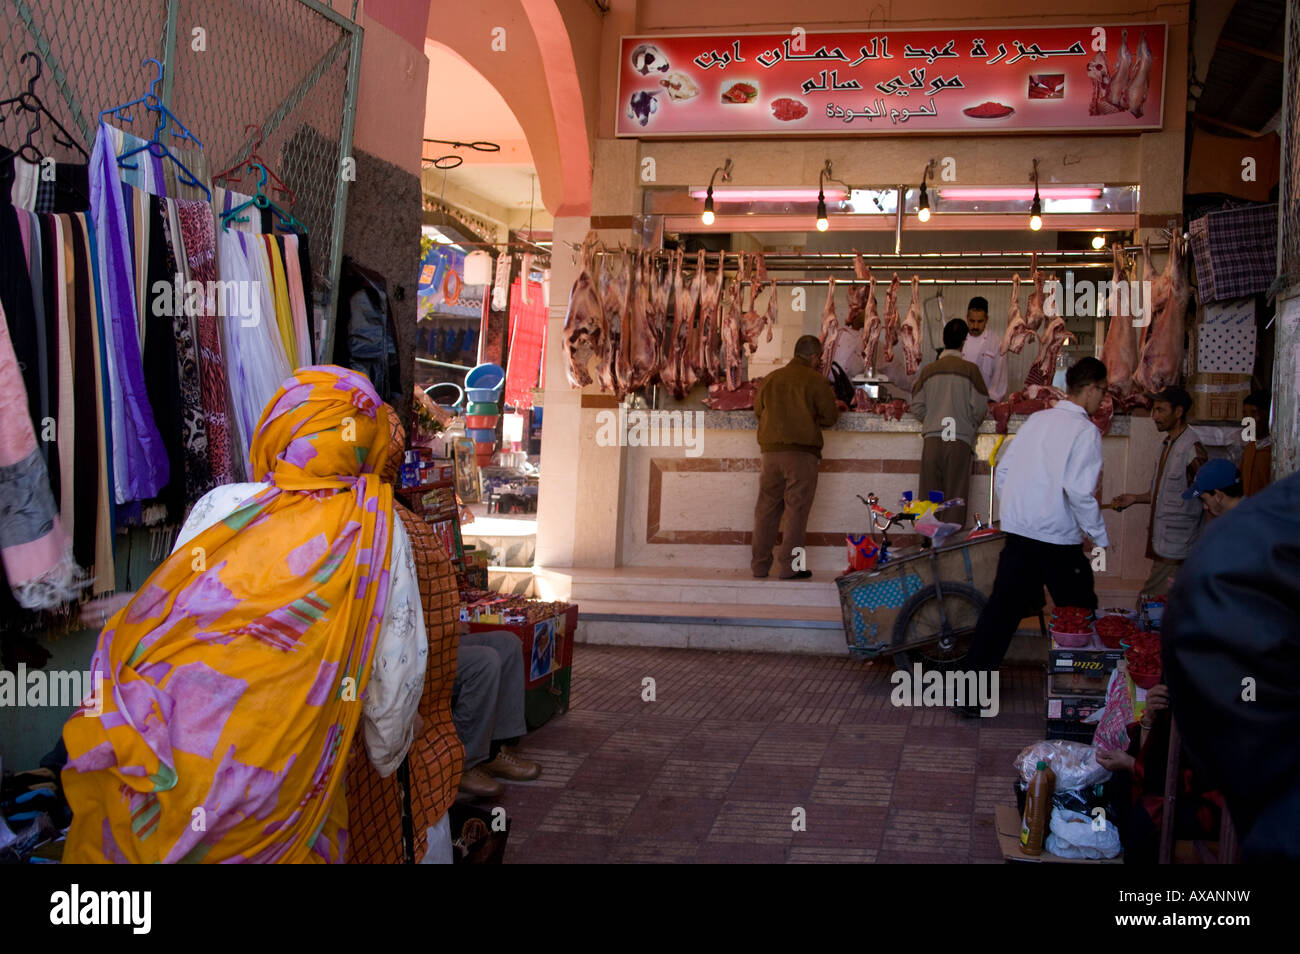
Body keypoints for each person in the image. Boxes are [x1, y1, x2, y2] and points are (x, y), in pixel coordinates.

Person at [61, 367, 427, 863]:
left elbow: (179, 613)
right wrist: (386, 749)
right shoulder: (378, 533)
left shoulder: (221, 507)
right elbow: (394, 683)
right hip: (276, 801)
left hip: (159, 778)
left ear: (280, 431)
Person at [959, 357, 1110, 714]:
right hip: (1058, 542)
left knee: (1000, 613)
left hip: (1021, 537)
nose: (1102, 399)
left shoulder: (1037, 421)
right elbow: (1078, 490)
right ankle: (1087, 699)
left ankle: (968, 698)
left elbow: (1005, 469)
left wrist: (1019, 513)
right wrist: (1100, 536)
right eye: (1102, 391)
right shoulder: (1086, 431)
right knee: (1080, 615)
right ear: (1089, 389)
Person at [1162, 471, 1300, 861]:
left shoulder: (1240, 549)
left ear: (1219, 495)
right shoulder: (1248, 538)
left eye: (1205, 499)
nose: (1204, 507)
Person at [751, 334, 840, 580]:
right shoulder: (816, 381)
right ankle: (790, 567)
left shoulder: (772, 378)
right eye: (820, 357)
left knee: (766, 510)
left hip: (770, 453)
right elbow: (830, 417)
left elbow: (758, 410)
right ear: (813, 357)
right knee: (796, 512)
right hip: (801, 455)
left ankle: (759, 566)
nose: (821, 362)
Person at [1109, 386, 1208, 597]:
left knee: (1149, 601)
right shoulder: (1167, 443)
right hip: (1165, 541)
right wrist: (1134, 498)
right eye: (1154, 410)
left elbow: (1207, 497)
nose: (1154, 416)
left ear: (1178, 412)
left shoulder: (1191, 449)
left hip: (1178, 545)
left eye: (1160, 410)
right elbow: (1165, 492)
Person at [908, 318, 989, 527]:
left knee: (928, 503)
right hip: (958, 441)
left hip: (933, 441)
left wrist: (933, 418)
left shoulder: (928, 371)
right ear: (964, 342)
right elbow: (980, 409)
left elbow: (916, 406)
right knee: (954, 502)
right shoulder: (971, 370)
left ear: (943, 340)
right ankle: (950, 554)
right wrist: (966, 424)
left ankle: (928, 553)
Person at [453, 624, 543, 798]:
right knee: (485, 661)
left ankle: (492, 753)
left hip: (443, 638)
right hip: (415, 651)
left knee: (508, 643)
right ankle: (462, 764)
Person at [960, 295, 1008, 403]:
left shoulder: (996, 342)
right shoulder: (959, 340)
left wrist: (991, 401)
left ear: (987, 319)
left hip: (985, 403)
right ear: (966, 318)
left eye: (980, 321)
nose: (975, 326)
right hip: (960, 401)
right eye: (972, 321)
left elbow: (1000, 376)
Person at [1240, 390, 1272, 496]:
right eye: (1245, 414)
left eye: (1254, 413)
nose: (1248, 420)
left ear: (1267, 415)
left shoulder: (1275, 452)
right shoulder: (1250, 448)